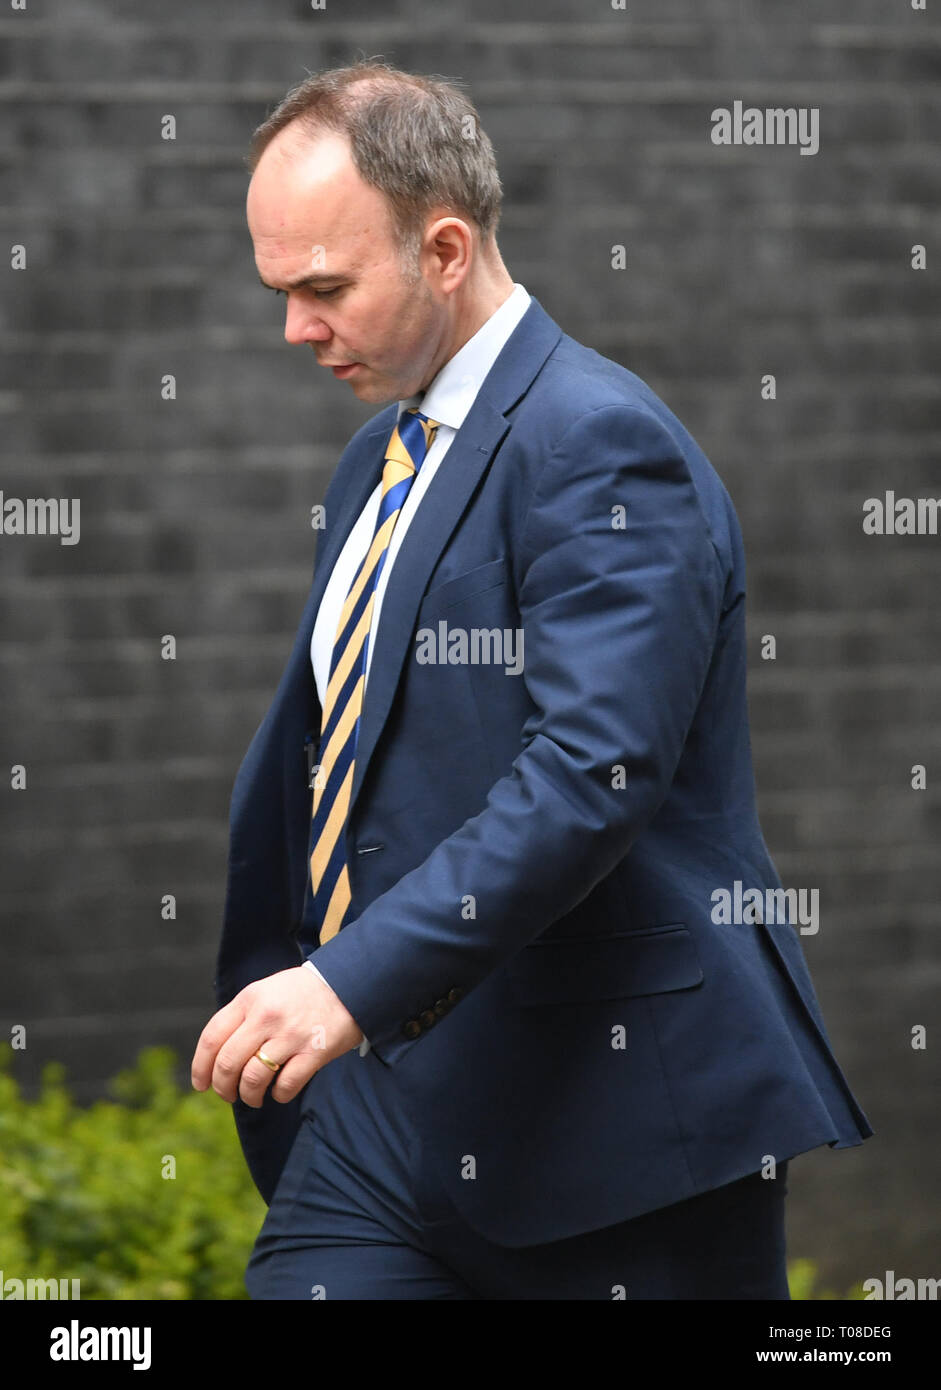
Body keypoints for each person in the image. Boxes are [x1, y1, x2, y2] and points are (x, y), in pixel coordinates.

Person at [191, 60, 872, 1300]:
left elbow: (588, 772)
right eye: (279, 290)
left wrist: (343, 983)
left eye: (324, 288)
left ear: (444, 250)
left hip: (619, 1128)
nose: (295, 328)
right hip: (387, 1117)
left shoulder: (599, 443)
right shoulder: (372, 464)